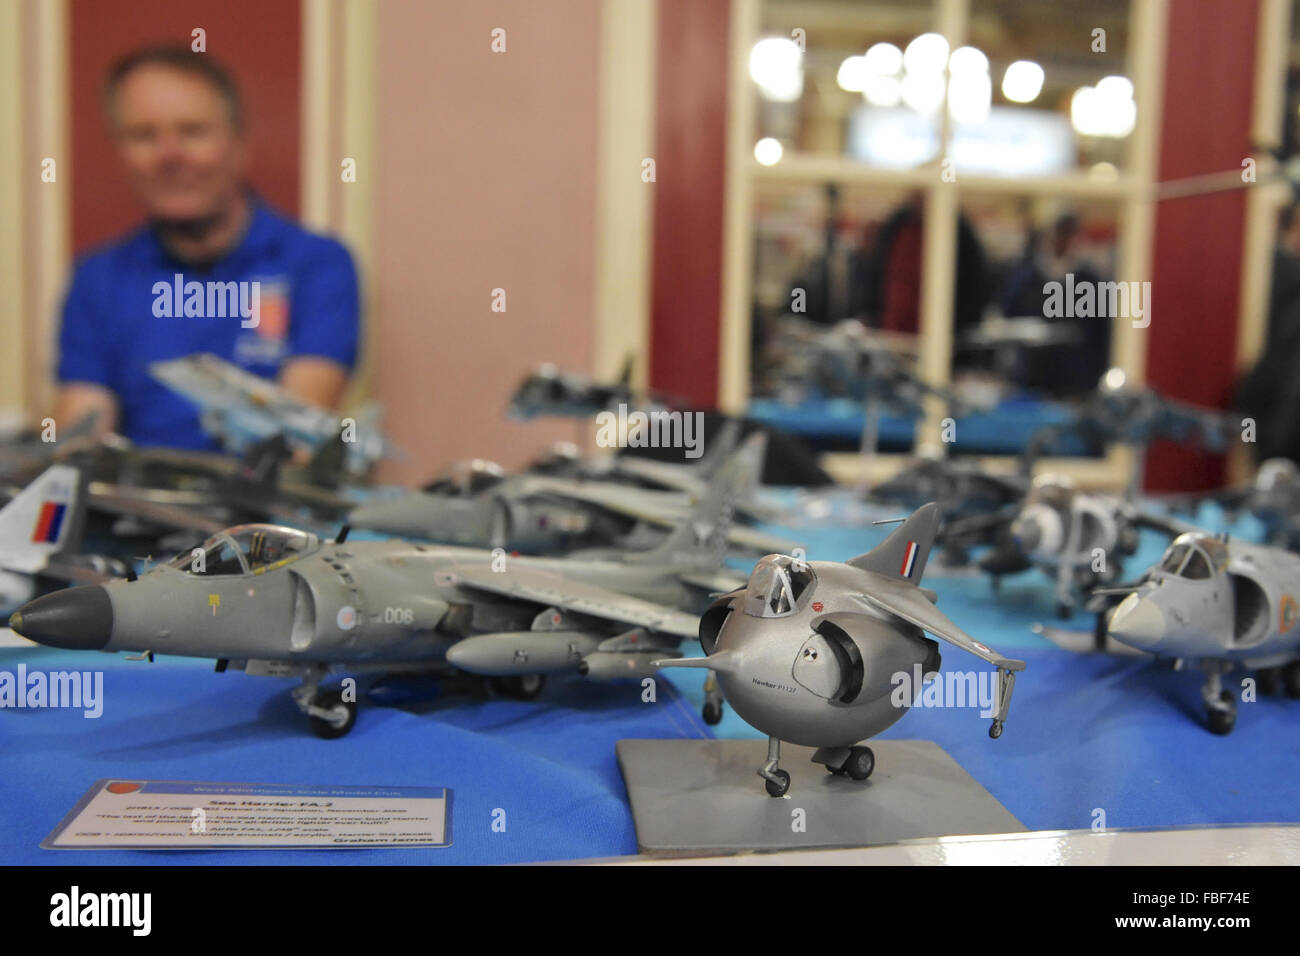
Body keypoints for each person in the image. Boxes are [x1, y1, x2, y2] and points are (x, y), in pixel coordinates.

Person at [54, 47, 359, 450]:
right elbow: (80, 439)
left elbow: (295, 442)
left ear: (238, 142)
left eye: (193, 131)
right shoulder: (97, 279)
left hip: (266, 510)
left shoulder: (318, 265)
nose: (169, 155)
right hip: (132, 505)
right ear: (119, 152)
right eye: (143, 135)